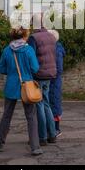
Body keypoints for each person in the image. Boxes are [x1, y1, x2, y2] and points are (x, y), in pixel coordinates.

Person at [0, 27, 43, 156]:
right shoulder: (28, 50)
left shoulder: (7, 50)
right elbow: (35, 68)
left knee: (6, 115)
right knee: (31, 117)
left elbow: (1, 69)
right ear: (24, 36)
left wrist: (12, 73)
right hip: (27, 86)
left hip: (11, 86)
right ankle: (35, 147)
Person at [27, 13, 57, 146]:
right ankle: (52, 135)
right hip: (50, 73)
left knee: (39, 104)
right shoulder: (51, 36)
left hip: (39, 74)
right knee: (46, 104)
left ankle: (42, 137)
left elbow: (31, 57)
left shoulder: (33, 38)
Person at [48, 30, 65, 137]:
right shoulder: (55, 48)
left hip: (54, 81)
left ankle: (56, 129)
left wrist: (50, 76)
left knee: (54, 104)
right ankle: (52, 128)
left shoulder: (57, 50)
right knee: (52, 104)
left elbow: (59, 68)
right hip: (53, 80)